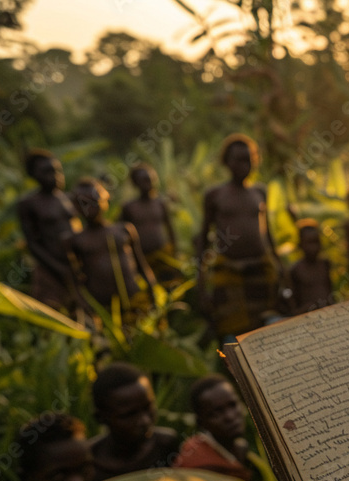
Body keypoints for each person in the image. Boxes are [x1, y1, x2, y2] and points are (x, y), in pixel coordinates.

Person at [86, 362, 181, 481]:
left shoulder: (166, 446)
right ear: (101, 417)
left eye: (148, 407)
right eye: (129, 415)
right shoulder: (88, 462)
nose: (145, 421)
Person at [197, 134, 281, 342]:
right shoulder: (215, 195)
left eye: (249, 159)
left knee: (263, 330)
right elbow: (204, 238)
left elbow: (267, 234)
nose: (245, 165)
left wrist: (280, 268)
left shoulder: (259, 192)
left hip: (259, 270)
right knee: (232, 335)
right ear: (227, 162)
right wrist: (200, 281)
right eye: (238, 159)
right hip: (229, 273)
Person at [65, 178, 157, 327]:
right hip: (103, 309)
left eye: (95, 200)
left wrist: (152, 292)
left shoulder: (124, 230)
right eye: (85, 203)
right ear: (76, 207)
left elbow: (142, 265)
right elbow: (74, 281)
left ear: (105, 200)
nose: (91, 207)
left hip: (134, 300)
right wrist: (86, 308)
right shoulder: (76, 241)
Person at [17, 149, 83, 310]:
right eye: (46, 172)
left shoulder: (68, 198)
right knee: (54, 315)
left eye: (57, 171)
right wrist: (59, 269)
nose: (55, 176)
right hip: (50, 271)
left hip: (76, 268)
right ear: (34, 175)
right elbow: (32, 244)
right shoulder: (29, 204)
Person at [121, 164, 182, 287]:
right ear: (135, 183)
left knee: (169, 286)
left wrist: (174, 251)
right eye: (142, 180)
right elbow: (121, 233)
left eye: (149, 179)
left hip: (163, 256)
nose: (147, 183)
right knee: (147, 288)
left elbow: (170, 229)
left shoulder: (160, 203)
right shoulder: (129, 207)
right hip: (141, 259)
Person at [287, 220, 333, 315]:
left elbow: (330, 292)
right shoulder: (296, 270)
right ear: (301, 244)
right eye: (309, 243)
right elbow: (293, 305)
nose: (313, 247)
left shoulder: (325, 264)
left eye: (316, 242)